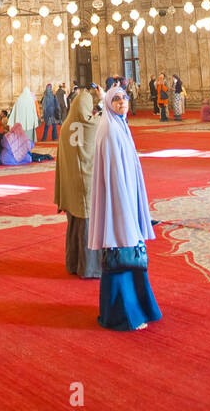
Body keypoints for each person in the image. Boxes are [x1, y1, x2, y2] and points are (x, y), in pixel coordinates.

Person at [88, 86, 161, 331]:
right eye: (116, 99)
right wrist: (124, 210)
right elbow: (113, 176)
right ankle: (123, 315)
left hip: (126, 199)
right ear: (108, 103)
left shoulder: (120, 124)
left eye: (124, 98)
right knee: (121, 255)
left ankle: (138, 308)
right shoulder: (109, 129)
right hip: (118, 203)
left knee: (129, 257)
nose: (122, 102)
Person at [54, 87, 102, 279]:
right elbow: (111, 120)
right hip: (87, 183)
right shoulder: (91, 125)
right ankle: (90, 267)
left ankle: (73, 263)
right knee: (88, 226)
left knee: (74, 225)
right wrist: (102, 101)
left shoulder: (66, 126)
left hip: (71, 183)